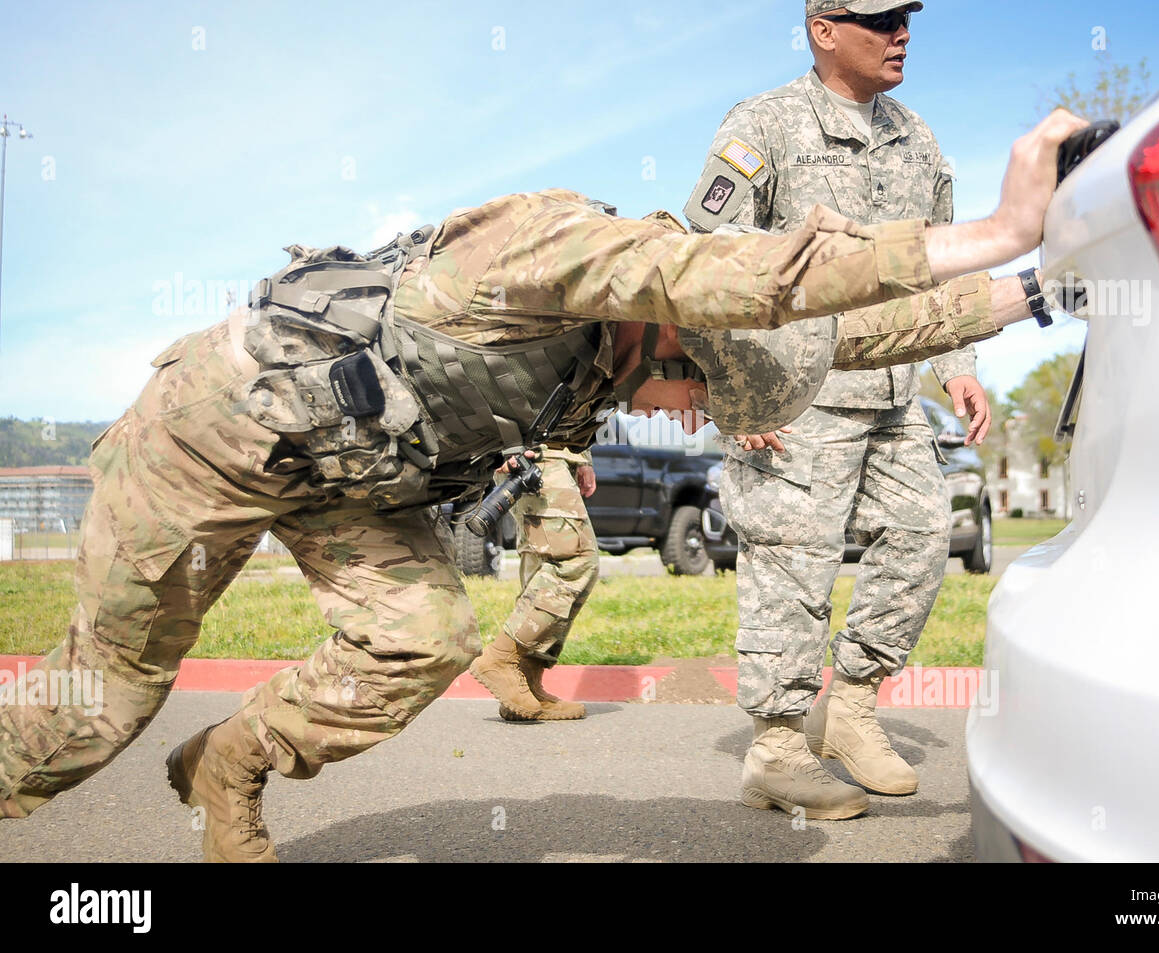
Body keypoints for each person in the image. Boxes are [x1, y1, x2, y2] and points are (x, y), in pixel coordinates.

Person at [0, 106, 1087, 861]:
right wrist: (989, 225)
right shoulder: (559, 249)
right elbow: (735, 272)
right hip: (220, 432)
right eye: (694, 390)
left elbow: (840, 327)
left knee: (422, 636)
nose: (693, 417)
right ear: (677, 332)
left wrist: (1035, 282)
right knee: (101, 702)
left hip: (357, 479)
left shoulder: (676, 329)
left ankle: (228, 764)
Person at [684, 0, 998, 819]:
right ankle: (778, 749)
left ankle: (850, 709)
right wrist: (733, 386)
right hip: (796, 398)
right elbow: (707, 260)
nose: (901, 33)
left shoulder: (917, 136)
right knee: (793, 565)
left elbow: (940, 263)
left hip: (894, 393)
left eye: (906, 19)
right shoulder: (767, 123)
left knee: (926, 537)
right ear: (824, 29)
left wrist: (956, 363)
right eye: (881, 19)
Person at [471, 446, 598, 721]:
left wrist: (582, 459)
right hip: (533, 451)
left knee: (543, 565)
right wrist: (510, 445)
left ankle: (525, 682)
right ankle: (502, 657)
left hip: (552, 451)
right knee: (573, 560)